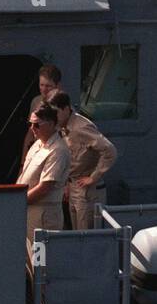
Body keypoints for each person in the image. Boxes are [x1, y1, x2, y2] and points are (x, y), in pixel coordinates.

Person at [50, 91, 117, 230]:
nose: (53, 118)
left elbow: (110, 150)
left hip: (87, 191)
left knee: (86, 237)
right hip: (74, 186)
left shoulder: (81, 127)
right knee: (77, 234)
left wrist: (94, 177)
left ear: (66, 109)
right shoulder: (63, 127)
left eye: (55, 112)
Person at [18, 105, 71, 253]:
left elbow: (45, 186)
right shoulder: (38, 143)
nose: (32, 128)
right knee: (29, 259)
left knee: (42, 262)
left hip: (44, 216)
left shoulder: (58, 150)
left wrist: (17, 202)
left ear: (52, 124)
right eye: (30, 124)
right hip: (29, 212)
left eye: (37, 125)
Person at [21, 64, 64, 158]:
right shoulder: (36, 102)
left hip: (55, 154)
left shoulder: (64, 107)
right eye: (41, 85)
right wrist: (23, 163)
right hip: (38, 152)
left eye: (48, 86)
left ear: (58, 85)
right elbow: (30, 134)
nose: (44, 89)